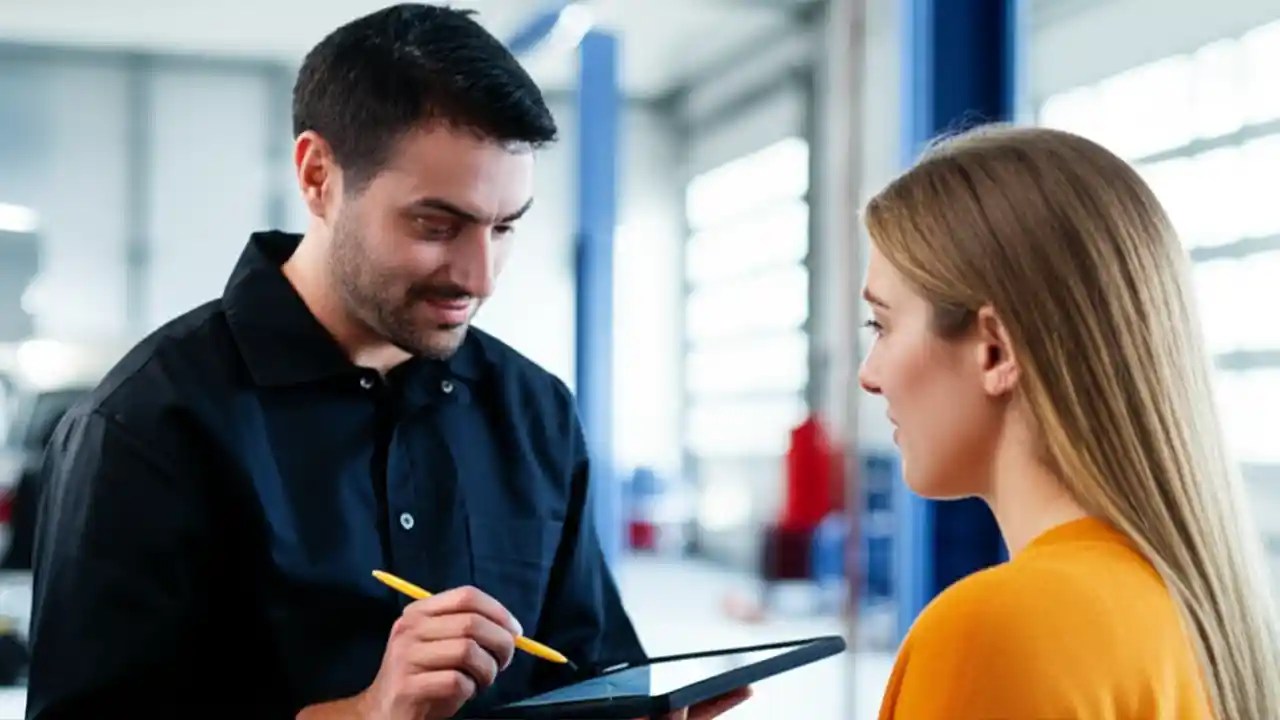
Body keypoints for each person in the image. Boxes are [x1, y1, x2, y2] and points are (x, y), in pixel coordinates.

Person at [25, 5, 750, 719]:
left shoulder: (534, 412)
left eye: (504, 228)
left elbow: (588, 665)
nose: (479, 275)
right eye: (437, 226)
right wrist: (367, 715)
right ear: (317, 176)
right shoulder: (143, 427)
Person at [859, 125, 1280, 719]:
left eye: (881, 326)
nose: (868, 375)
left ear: (995, 350)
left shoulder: (993, 631)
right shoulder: (1204, 618)